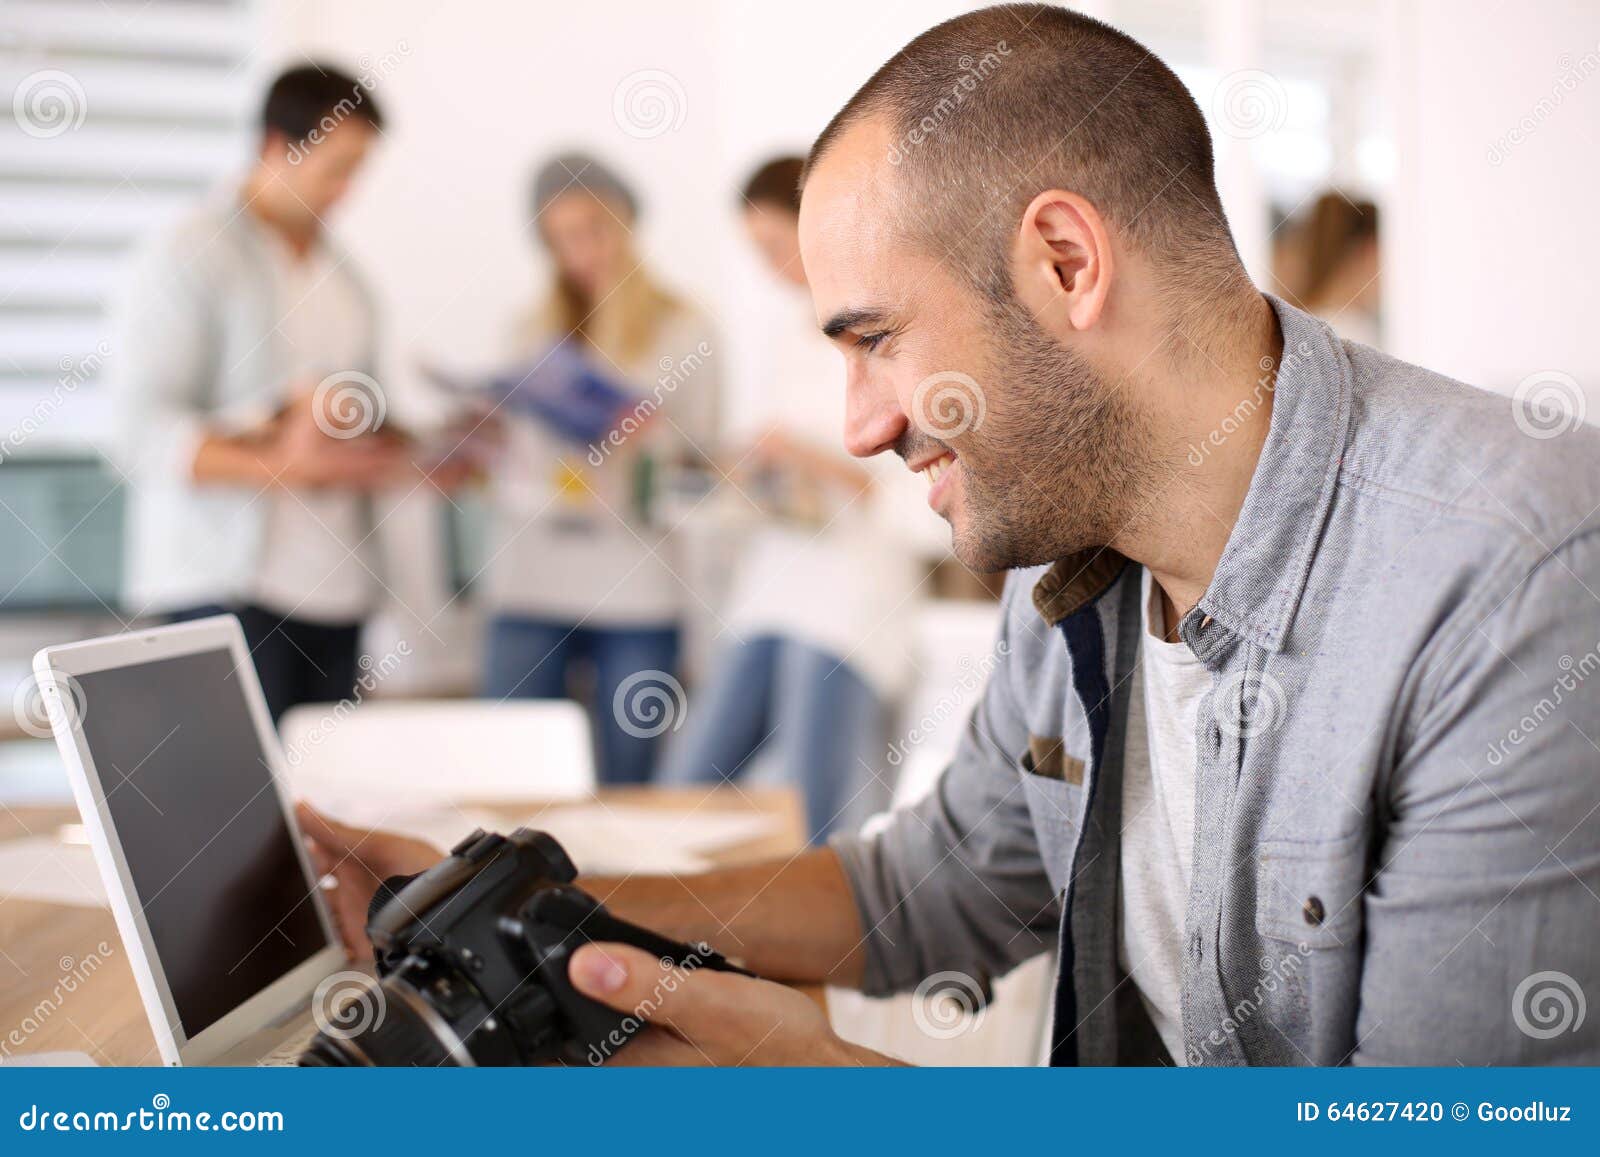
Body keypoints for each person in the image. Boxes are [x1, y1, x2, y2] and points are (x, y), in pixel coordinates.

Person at [302, 5, 1600, 1066]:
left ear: (1065, 264)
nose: (859, 426)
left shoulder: (1515, 574)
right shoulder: (1075, 552)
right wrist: (535, 917)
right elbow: (934, 888)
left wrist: (840, 1107)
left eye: (875, 340)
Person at [115, 66, 444, 722]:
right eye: (337, 167)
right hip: (228, 592)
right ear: (276, 148)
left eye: (359, 170)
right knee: (237, 814)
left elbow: (366, 412)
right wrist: (283, 463)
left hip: (338, 591)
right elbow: (138, 435)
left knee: (325, 807)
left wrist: (421, 451)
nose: (348, 189)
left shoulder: (348, 281)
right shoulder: (189, 254)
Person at [656, 157, 931, 842]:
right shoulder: (787, 331)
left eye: (778, 247)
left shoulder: (896, 327)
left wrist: (807, 457)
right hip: (777, 580)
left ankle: (823, 932)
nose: (770, 266)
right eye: (758, 253)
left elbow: (909, 489)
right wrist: (750, 468)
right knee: (689, 781)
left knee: (815, 807)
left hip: (850, 596)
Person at [479, 154, 720, 785]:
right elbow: (507, 455)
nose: (579, 252)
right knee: (513, 773)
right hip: (531, 575)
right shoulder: (526, 332)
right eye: (559, 239)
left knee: (629, 782)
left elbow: (706, 472)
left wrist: (655, 444)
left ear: (626, 224)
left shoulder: (686, 330)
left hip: (637, 583)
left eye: (592, 229)